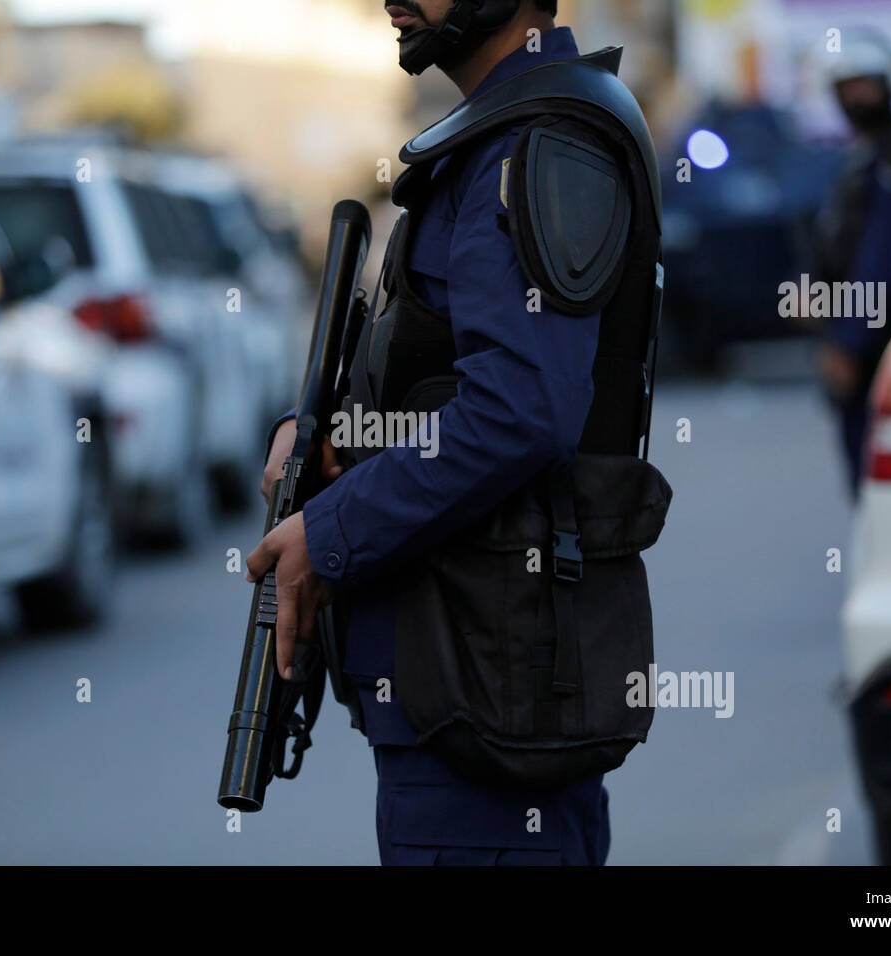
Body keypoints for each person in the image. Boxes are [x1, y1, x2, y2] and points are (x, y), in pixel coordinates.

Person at [248, 0, 670, 866]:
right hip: (468, 679)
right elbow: (443, 381)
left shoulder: (538, 143)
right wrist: (325, 434)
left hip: (486, 692)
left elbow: (518, 411)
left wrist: (329, 534)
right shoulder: (501, 136)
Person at [813, 29, 891, 497]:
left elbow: (884, 256)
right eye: (848, 88)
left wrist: (850, 342)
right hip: (862, 335)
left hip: (883, 344)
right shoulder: (860, 156)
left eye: (867, 84)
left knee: (881, 482)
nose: (857, 97)